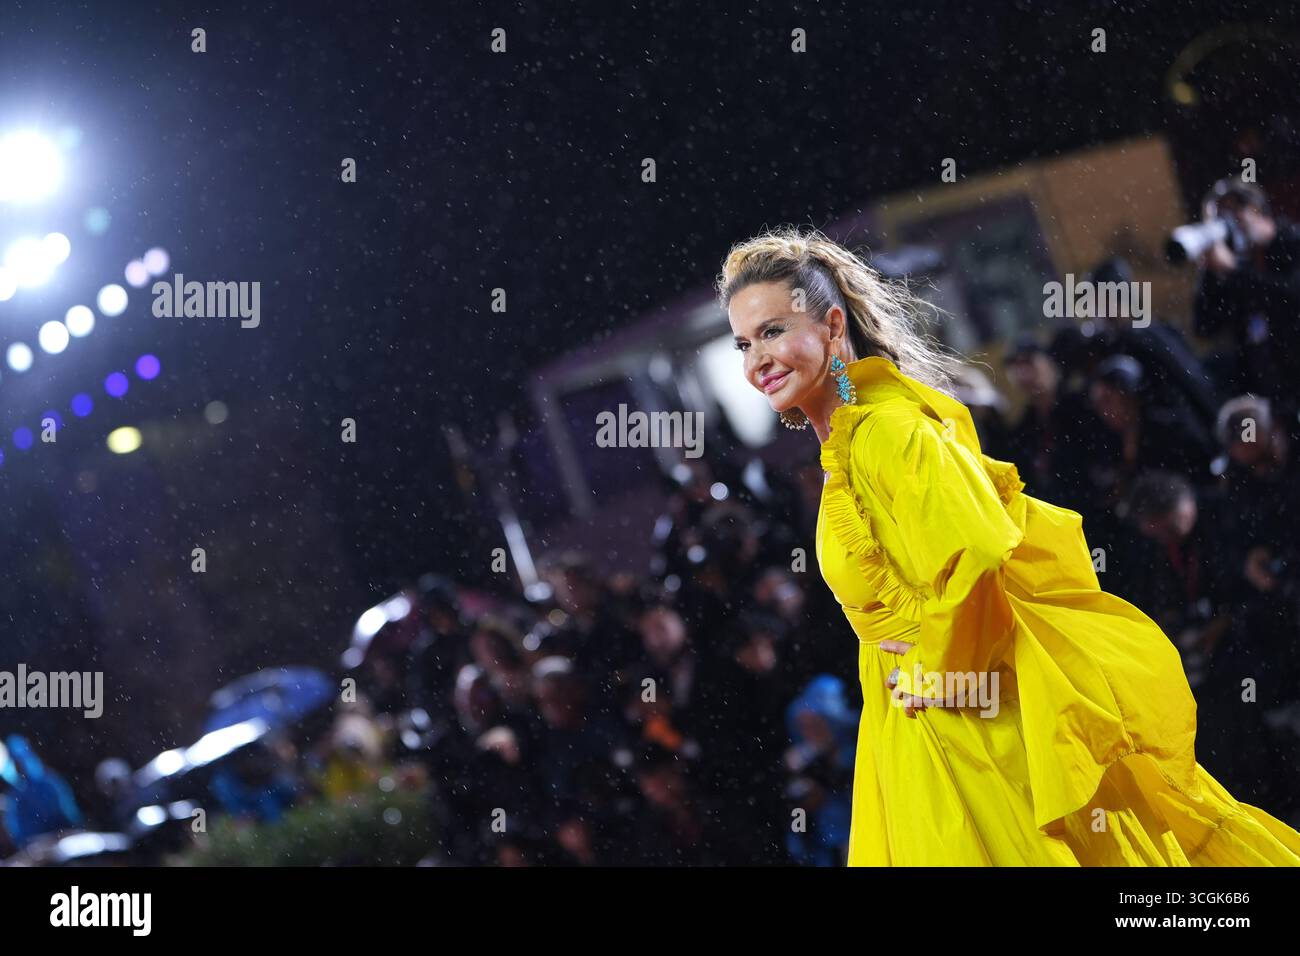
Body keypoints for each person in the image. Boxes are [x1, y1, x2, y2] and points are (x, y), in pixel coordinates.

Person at [716, 224, 1300, 866]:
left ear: (831, 327)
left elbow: (980, 548)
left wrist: (937, 672)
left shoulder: (886, 433)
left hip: (975, 734)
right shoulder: (851, 446)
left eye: (772, 331)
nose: (756, 360)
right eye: (743, 342)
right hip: (931, 730)